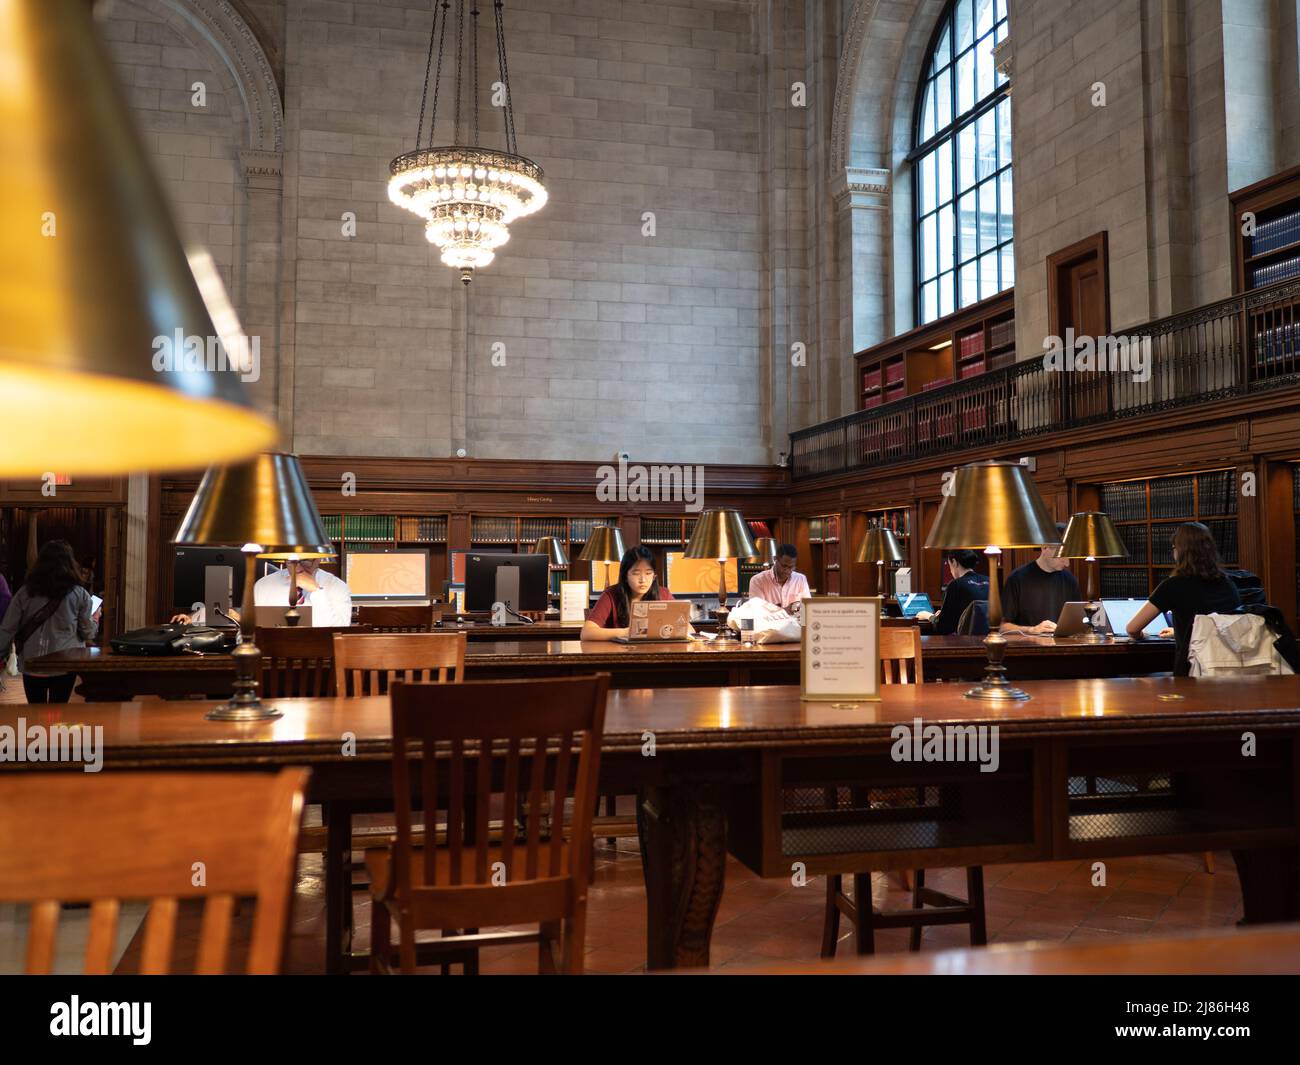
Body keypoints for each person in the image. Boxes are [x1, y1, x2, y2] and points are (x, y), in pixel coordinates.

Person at [1126, 522, 1241, 676]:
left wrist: (1142, 635)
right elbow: (1220, 625)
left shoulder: (1173, 586)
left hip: (1191, 671)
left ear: (1180, 551)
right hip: (1230, 669)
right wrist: (1180, 631)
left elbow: (1132, 628)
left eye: (1174, 548)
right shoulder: (1227, 583)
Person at [0, 540, 98, 704]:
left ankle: (38, 730)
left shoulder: (25, 593)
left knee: (35, 709)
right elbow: (88, 632)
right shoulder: (79, 594)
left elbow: (7, 628)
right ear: (70, 564)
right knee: (59, 710)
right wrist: (95, 619)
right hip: (64, 664)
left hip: (32, 663)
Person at [172, 558, 352, 627]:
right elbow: (251, 631)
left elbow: (337, 633)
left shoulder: (337, 587)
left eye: (311, 555)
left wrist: (316, 591)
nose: (305, 561)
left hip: (317, 667)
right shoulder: (264, 585)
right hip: (267, 665)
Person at [582, 546, 682, 642]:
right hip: (620, 655)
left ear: (654, 576)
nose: (643, 580)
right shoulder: (610, 595)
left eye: (648, 573)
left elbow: (687, 628)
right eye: (636, 573)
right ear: (625, 576)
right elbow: (587, 633)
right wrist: (627, 632)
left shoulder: (664, 594)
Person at [1000, 525, 1082, 635]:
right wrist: (1031, 630)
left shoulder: (1070, 581)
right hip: (1029, 647)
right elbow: (1002, 627)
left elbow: (1079, 622)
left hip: (1062, 646)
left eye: (1069, 556)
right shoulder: (1017, 579)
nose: (1067, 563)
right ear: (1044, 547)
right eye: (1062, 556)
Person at [921, 549, 989, 635]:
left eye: (949, 565)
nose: (950, 571)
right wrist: (942, 615)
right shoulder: (989, 581)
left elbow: (943, 627)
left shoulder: (956, 585)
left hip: (964, 643)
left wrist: (929, 616)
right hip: (988, 639)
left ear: (954, 562)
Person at [747, 543, 810, 615]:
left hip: (796, 625)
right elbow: (757, 612)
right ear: (775, 559)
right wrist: (785, 611)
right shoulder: (757, 581)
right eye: (784, 566)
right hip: (769, 625)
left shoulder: (801, 579)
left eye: (791, 567)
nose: (787, 570)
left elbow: (807, 609)